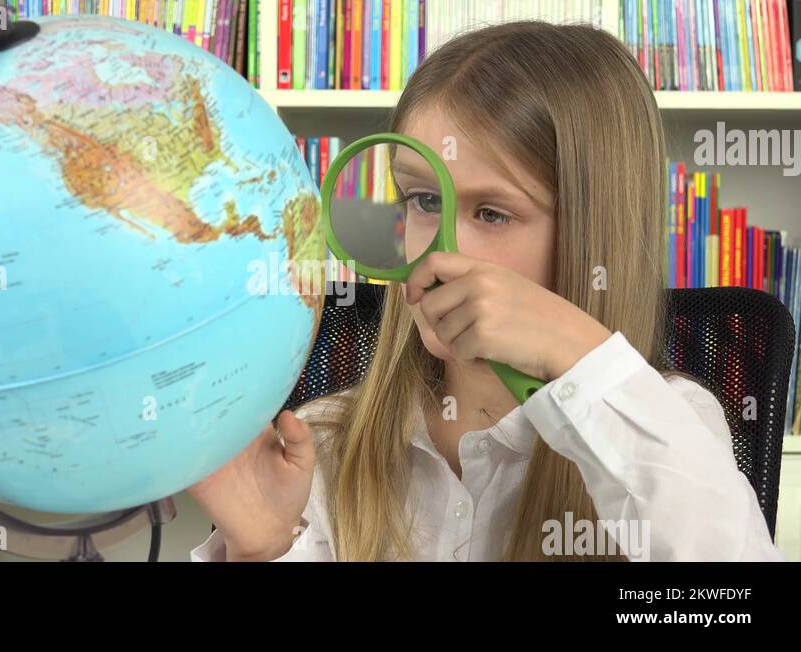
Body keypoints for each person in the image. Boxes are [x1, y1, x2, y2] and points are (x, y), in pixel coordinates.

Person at [187, 21, 784, 561]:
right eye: (424, 201)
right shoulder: (324, 443)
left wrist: (580, 355)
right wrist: (265, 551)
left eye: (493, 213)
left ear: (591, 232)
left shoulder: (665, 424)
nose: (442, 258)